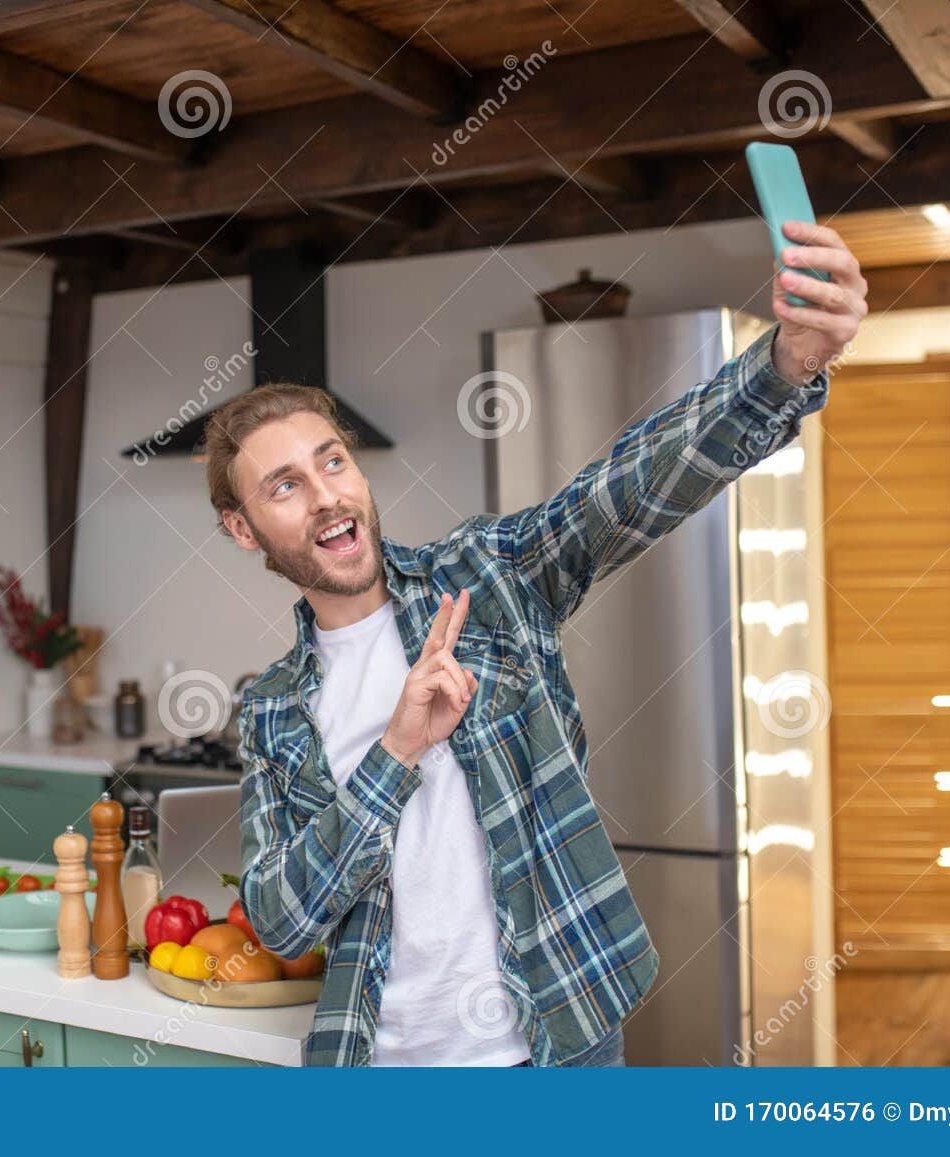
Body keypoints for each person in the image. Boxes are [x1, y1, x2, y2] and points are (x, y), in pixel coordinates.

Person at [206, 220, 866, 1067]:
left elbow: (625, 490)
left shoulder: (482, 579)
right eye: (285, 486)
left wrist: (786, 366)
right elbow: (281, 917)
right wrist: (398, 748)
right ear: (243, 527)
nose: (326, 497)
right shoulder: (270, 709)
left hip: (560, 1046)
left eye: (333, 462)